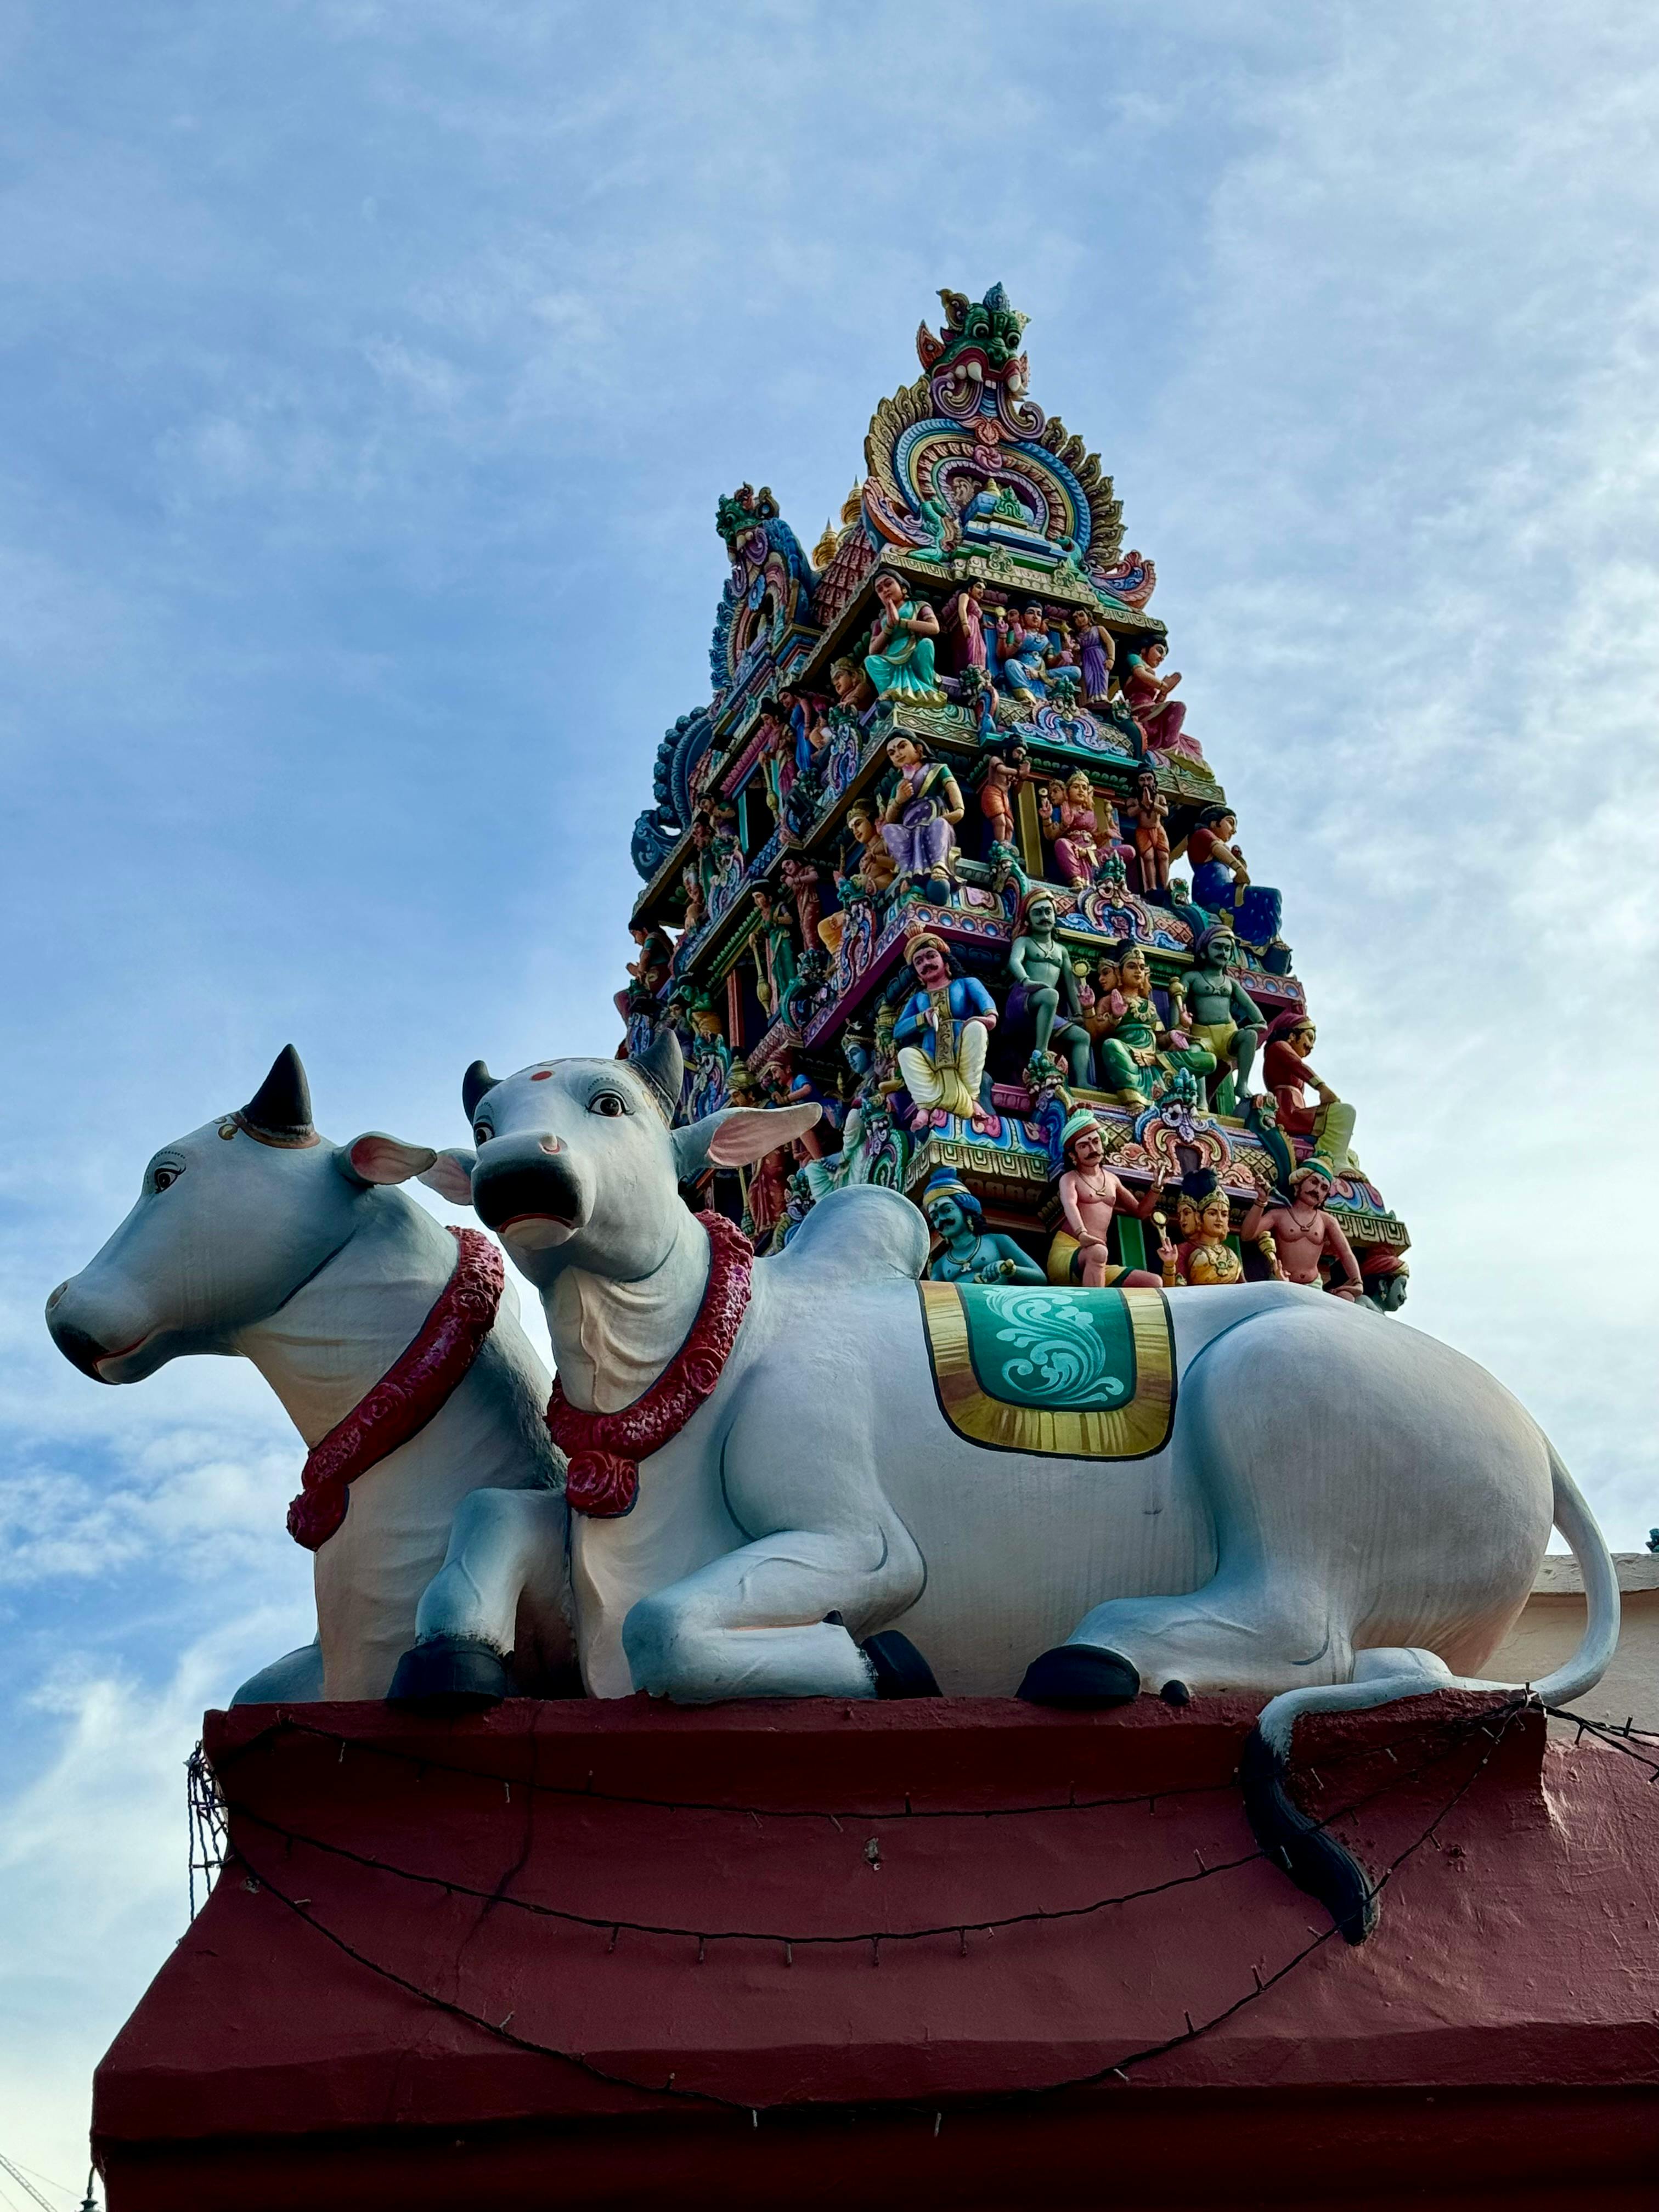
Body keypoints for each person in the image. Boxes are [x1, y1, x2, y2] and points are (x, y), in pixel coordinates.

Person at [893, 930, 998, 1130]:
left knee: (977, 1028)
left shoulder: (966, 984)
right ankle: (925, 1106)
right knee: (906, 1054)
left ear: (946, 963)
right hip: (931, 1058)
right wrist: (922, 1018)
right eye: (919, 962)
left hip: (963, 1051)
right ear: (918, 975)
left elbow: (989, 1011)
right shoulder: (918, 999)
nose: (926, 964)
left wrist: (987, 1019)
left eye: (931, 956)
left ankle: (972, 1097)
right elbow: (897, 1031)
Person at [1094, 944, 1217, 1109]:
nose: (1138, 971)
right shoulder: (1109, 1000)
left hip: (1156, 1060)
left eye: (1142, 967)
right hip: (1130, 1057)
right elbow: (1095, 1034)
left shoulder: (1149, 1005)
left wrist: (1180, 1029)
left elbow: (1161, 1039)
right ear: (1120, 972)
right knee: (1111, 1046)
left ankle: (1155, 1062)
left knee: (1209, 1059)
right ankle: (1134, 1094)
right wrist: (1115, 1017)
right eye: (1132, 967)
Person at [1053, 1111, 1165, 1288]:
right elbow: (1070, 1204)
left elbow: (1140, 1212)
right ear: (1073, 1156)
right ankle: (1093, 1311)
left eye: (1095, 1142)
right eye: (1084, 1146)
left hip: (1098, 1258)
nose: (1093, 1149)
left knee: (1154, 1283)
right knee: (1098, 1252)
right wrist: (1082, 1234)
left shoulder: (1112, 1180)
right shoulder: (1070, 1179)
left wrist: (1156, 1188)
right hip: (1068, 1253)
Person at [1007, 888, 1093, 1085]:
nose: (1044, 917)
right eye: (1037, 913)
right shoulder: (1025, 942)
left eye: (1048, 912)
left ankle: (1083, 1083)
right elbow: (1014, 962)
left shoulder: (1061, 951)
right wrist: (1026, 981)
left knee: (1082, 1037)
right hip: (1024, 1000)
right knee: (1050, 995)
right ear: (1028, 920)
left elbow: (1070, 984)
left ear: (1055, 917)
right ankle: (1041, 1054)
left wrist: (1079, 1013)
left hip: (1047, 1008)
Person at [1177, 924, 1267, 1108]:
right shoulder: (1192, 978)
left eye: (1227, 949)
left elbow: (1248, 1004)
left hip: (1228, 1034)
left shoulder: (1230, 983)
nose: (1223, 953)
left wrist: (1260, 1022)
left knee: (1250, 1036)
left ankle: (1241, 1084)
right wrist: (1174, 1027)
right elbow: (1177, 1001)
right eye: (1217, 947)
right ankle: (1201, 1101)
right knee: (1195, 1054)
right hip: (1203, 1037)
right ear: (1203, 952)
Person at [1262, 1010, 1358, 1172]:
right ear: (1293, 1035)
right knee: (1344, 1113)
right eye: (1309, 1037)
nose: (1311, 1046)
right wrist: (1322, 1087)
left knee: (1351, 1153)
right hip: (1287, 1113)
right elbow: (1297, 1066)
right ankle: (1332, 1162)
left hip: (1295, 1111)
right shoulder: (1279, 1047)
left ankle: (1335, 1157)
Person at [923, 1170, 1046, 1285]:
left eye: (947, 1210)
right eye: (935, 1217)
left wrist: (1008, 1269)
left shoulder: (997, 1241)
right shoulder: (940, 1265)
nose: (942, 1219)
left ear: (965, 1210)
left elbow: (1040, 1277)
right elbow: (933, 1297)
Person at [1264, 1158, 1364, 1299]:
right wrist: (1260, 1201)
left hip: (1314, 1286)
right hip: (1282, 1282)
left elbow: (1346, 1253)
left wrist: (1357, 1281)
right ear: (1299, 1183)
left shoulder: (1327, 1220)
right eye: (1314, 1182)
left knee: (1347, 1298)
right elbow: (1247, 1235)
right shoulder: (1278, 1215)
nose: (1317, 1190)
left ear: (1324, 1197)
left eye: (1324, 1188)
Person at [879, 733, 964, 891]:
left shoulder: (938, 770)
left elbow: (959, 808)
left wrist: (950, 816)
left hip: (935, 820)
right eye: (892, 753)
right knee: (888, 830)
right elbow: (890, 819)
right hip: (909, 827)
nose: (898, 754)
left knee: (939, 826)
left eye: (902, 746)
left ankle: (939, 866)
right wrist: (899, 800)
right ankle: (907, 872)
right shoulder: (898, 786)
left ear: (918, 749)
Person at [864, 573, 946, 704]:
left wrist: (902, 623)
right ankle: (889, 694)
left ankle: (927, 687)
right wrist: (889, 628)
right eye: (880, 590)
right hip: (891, 658)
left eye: (888, 584)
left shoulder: (919, 606)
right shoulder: (881, 622)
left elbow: (934, 628)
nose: (885, 590)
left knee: (927, 644)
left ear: (903, 588)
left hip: (914, 653)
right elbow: (873, 651)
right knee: (871, 661)